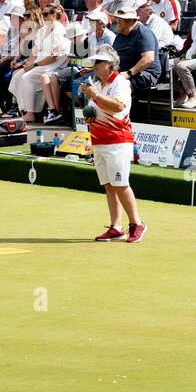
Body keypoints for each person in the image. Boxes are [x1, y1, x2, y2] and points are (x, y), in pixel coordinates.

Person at [80, 45, 146, 244]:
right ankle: (116, 227)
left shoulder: (120, 82)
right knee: (109, 186)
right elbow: (95, 111)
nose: (94, 65)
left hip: (118, 141)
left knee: (121, 184)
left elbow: (118, 106)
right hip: (99, 141)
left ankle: (137, 223)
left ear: (109, 64)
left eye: (98, 62)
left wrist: (95, 95)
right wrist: (90, 116)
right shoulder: (96, 85)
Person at [9, 2, 71, 123]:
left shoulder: (60, 31)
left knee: (26, 77)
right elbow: (35, 51)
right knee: (17, 75)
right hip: (40, 63)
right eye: (42, 13)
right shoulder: (42, 30)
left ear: (54, 15)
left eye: (46, 14)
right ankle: (23, 110)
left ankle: (30, 113)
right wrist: (25, 63)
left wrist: (34, 65)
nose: (43, 16)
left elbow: (53, 57)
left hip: (53, 65)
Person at [110, 4, 161, 96]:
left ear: (129, 21)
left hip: (144, 73)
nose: (117, 22)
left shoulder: (143, 33)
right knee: (97, 79)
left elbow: (148, 59)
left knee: (120, 86)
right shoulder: (120, 35)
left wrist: (129, 73)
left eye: (120, 19)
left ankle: (120, 105)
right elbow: (113, 56)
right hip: (122, 72)